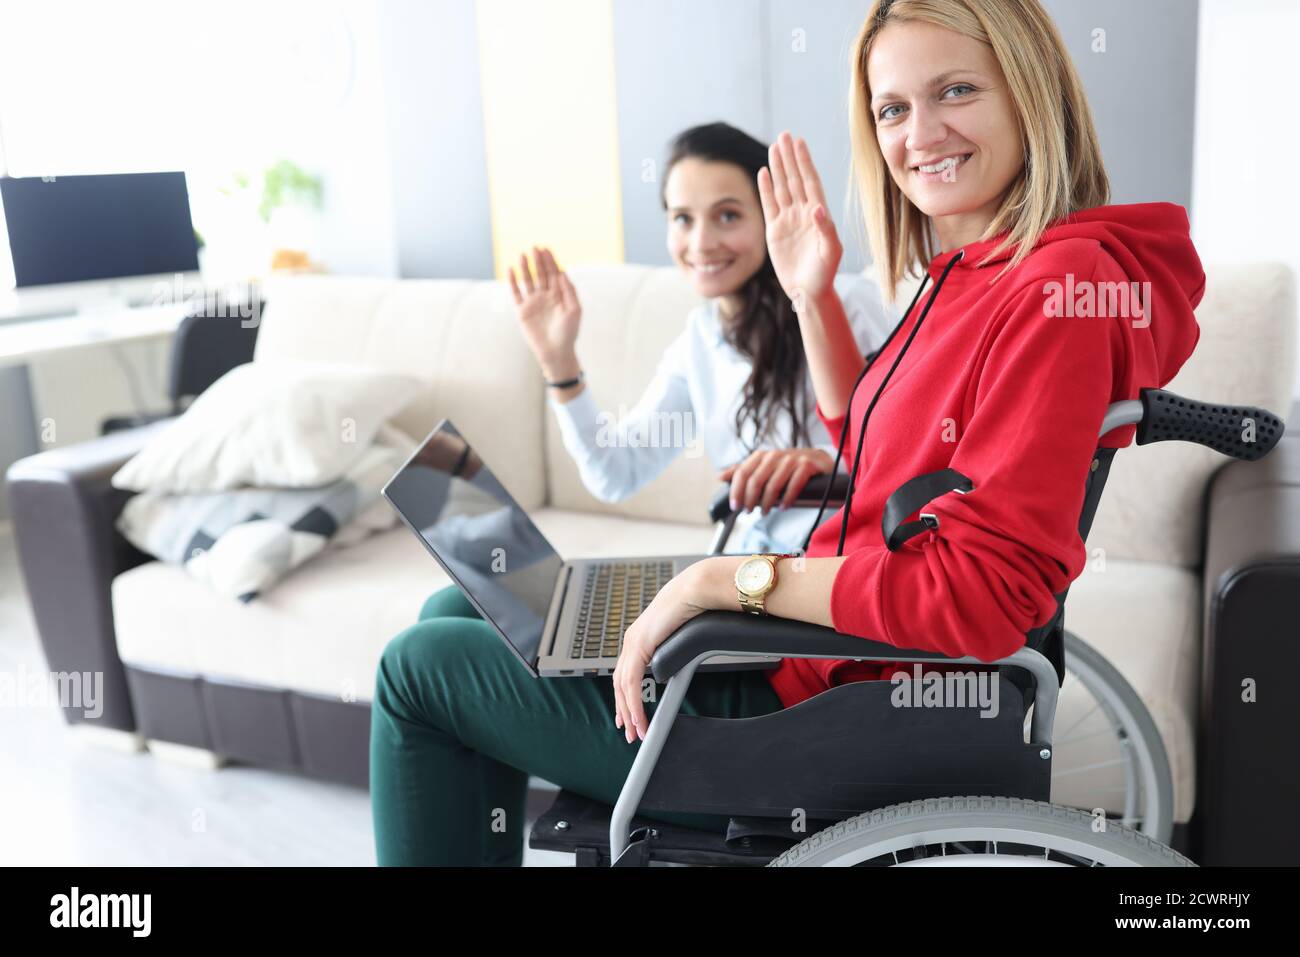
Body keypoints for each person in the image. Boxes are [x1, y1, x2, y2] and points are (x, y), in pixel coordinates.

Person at [370, 0, 1204, 866]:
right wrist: (811, 297)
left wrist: (726, 581)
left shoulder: (1050, 288)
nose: (920, 133)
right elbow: (887, 442)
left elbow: (980, 597)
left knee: (418, 665)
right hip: (825, 665)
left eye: (956, 90)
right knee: (454, 606)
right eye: (892, 108)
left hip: (831, 703)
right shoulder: (972, 272)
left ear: (1031, 94)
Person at [509, 122, 893, 554]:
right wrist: (558, 363)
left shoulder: (848, 304)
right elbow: (617, 473)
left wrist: (827, 460)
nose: (701, 242)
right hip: (741, 565)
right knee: (459, 606)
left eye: (727, 216)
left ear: (771, 215)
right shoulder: (701, 339)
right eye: (683, 219)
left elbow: (909, 455)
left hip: (830, 567)